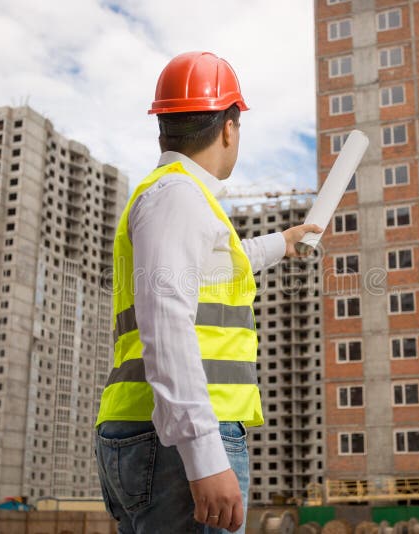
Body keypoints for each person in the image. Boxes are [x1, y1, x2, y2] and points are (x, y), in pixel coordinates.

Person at [94, 51, 321, 534]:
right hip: (179, 440)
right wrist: (204, 455)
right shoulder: (178, 198)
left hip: (153, 434)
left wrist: (281, 243)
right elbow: (167, 325)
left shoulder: (173, 197)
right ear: (228, 129)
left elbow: (213, 266)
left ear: (163, 127)